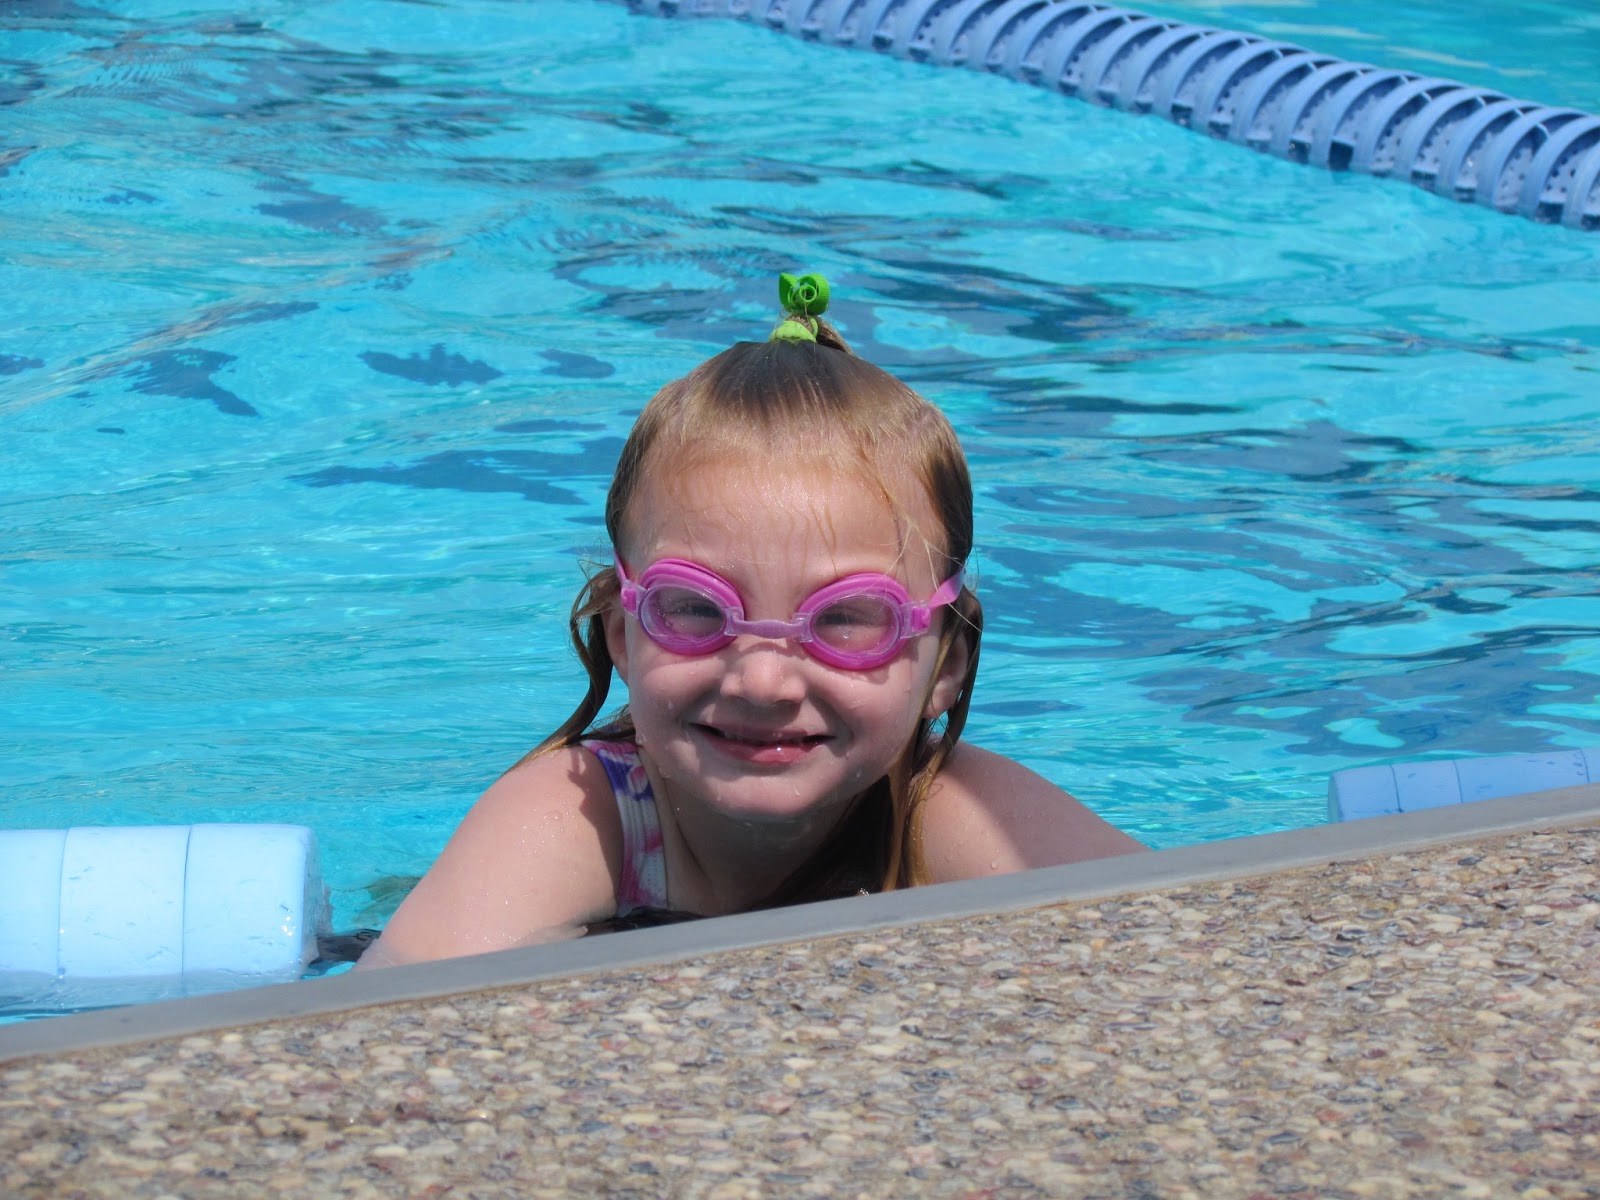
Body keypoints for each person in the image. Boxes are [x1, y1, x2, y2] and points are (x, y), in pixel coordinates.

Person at [359, 273, 1143, 969]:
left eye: (846, 620)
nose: (763, 680)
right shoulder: (581, 818)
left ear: (944, 663)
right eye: (696, 609)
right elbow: (396, 1027)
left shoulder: (945, 810)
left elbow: (1191, 955)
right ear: (622, 635)